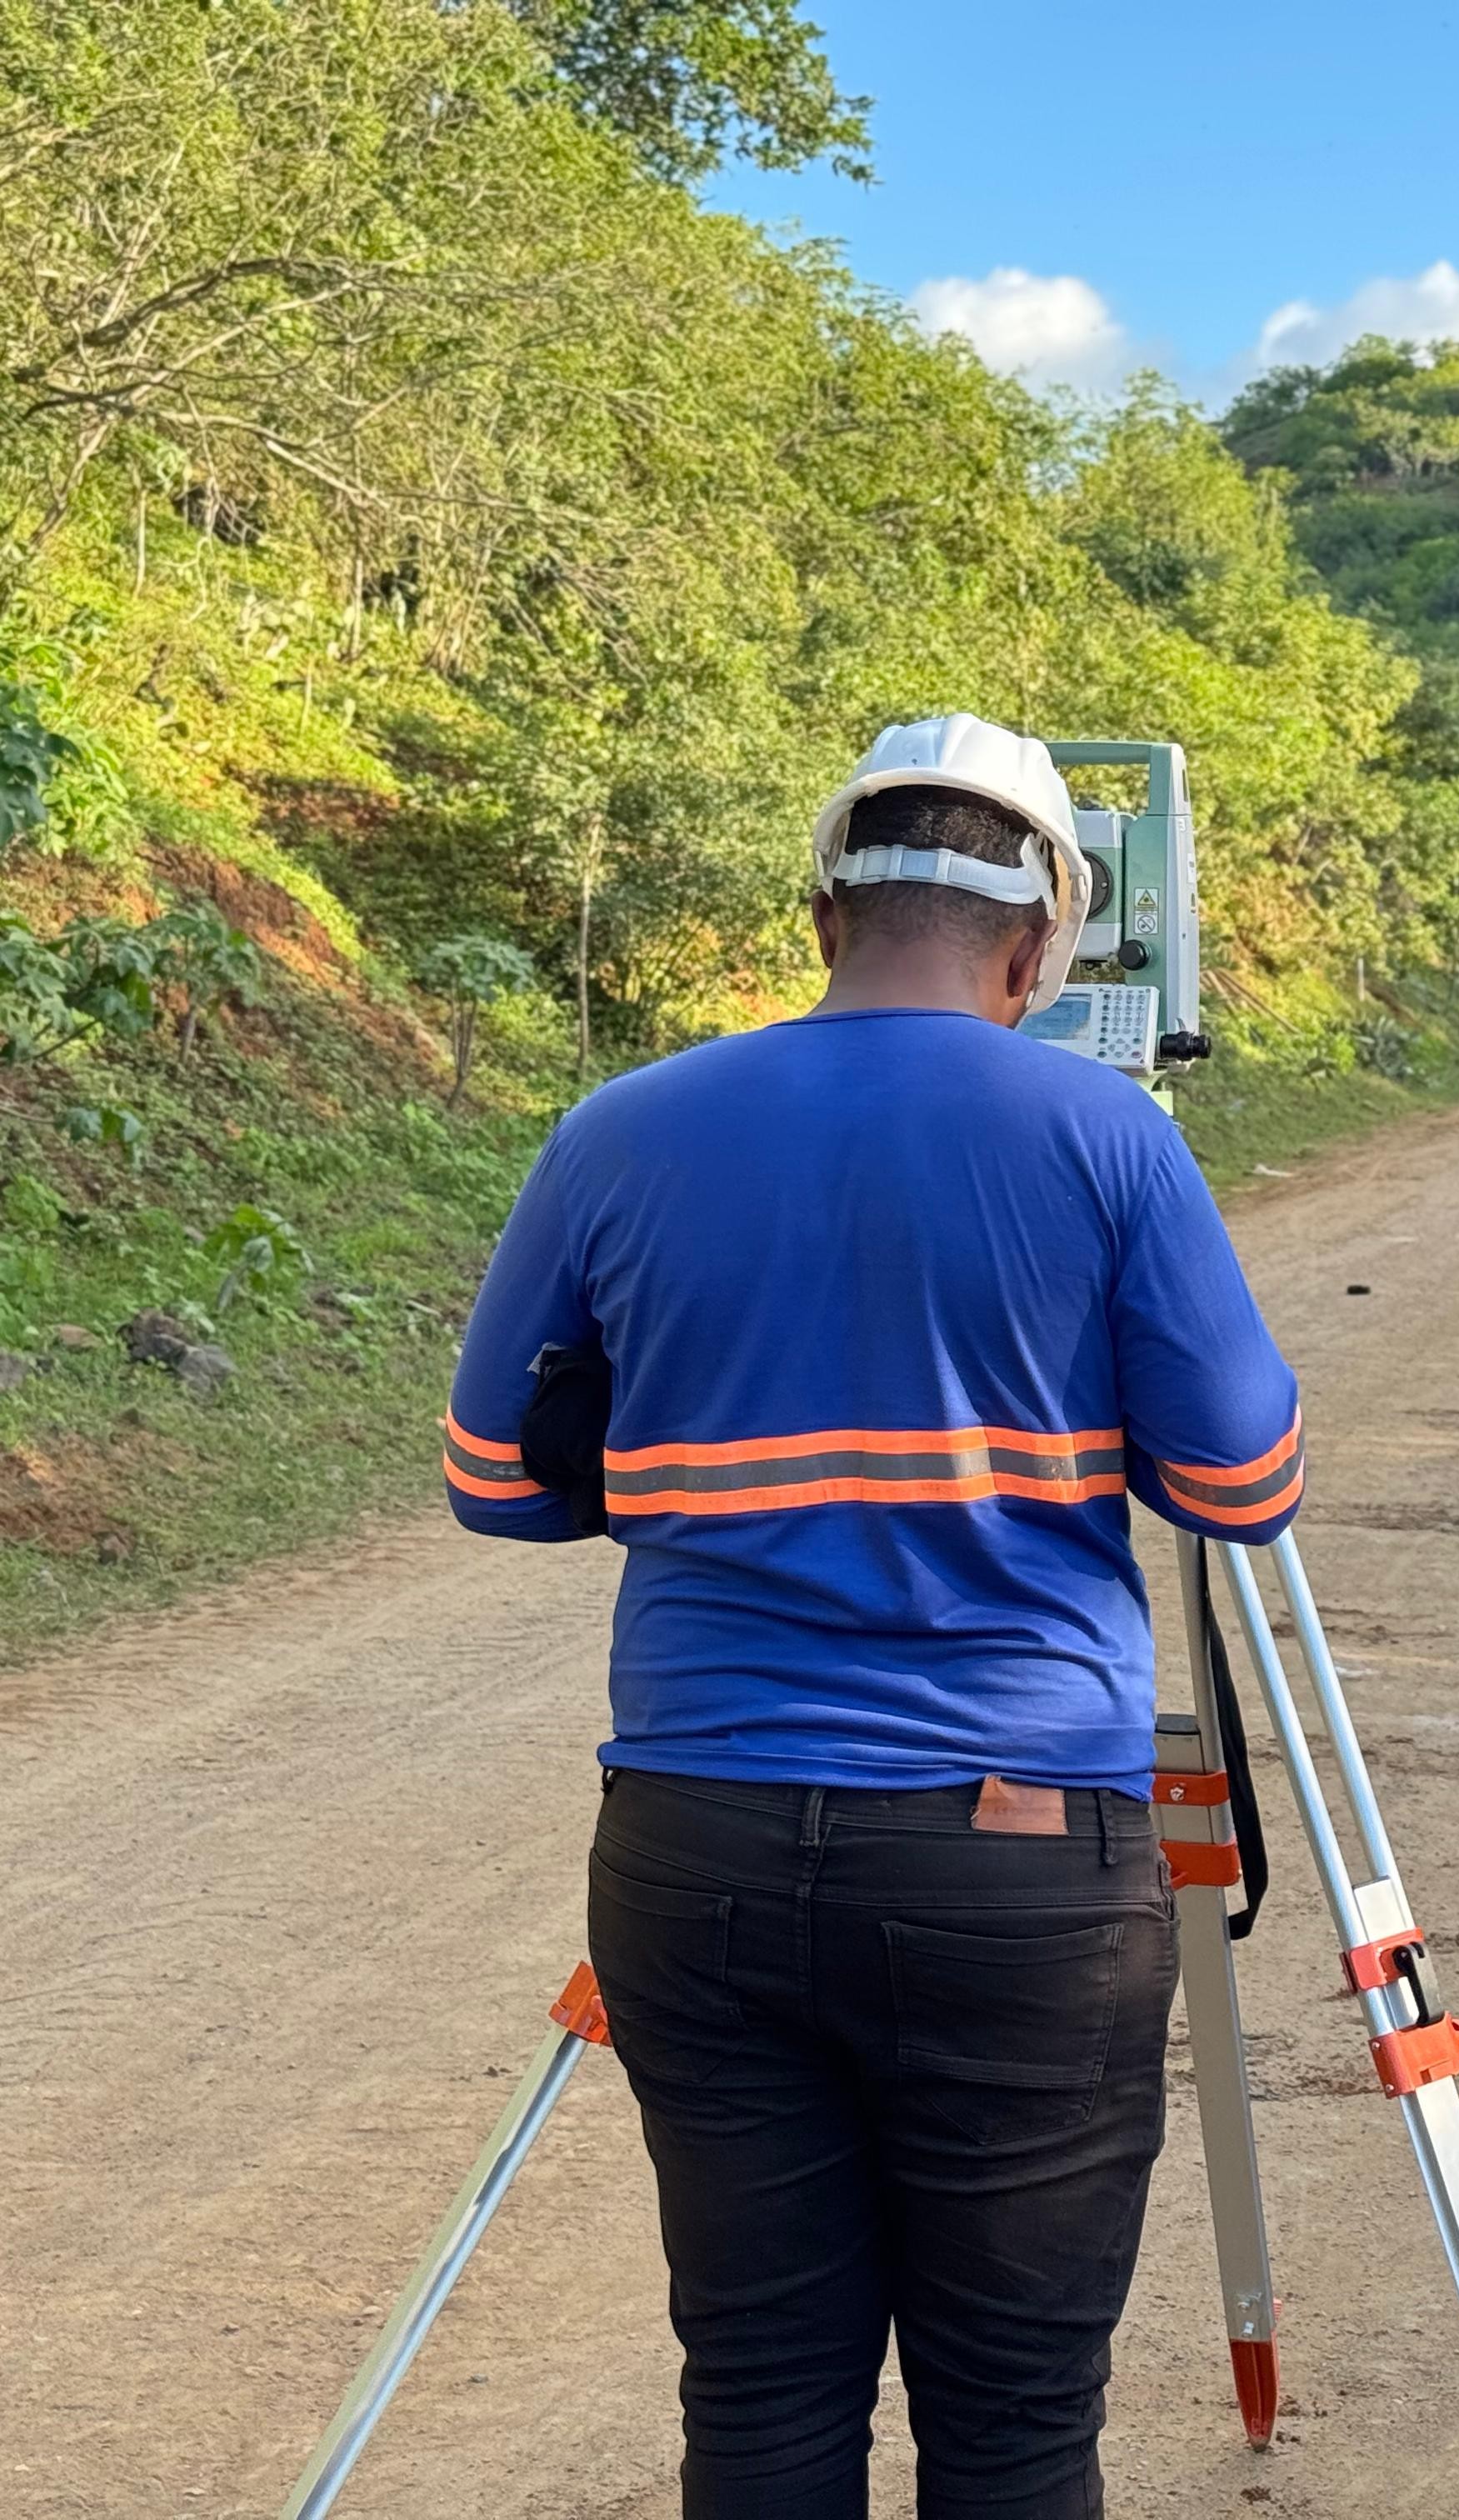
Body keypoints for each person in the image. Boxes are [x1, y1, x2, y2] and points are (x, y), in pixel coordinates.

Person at [442, 712, 1304, 2519]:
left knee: (757, 2402)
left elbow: (496, 1481)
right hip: (1016, 1873)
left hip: (697, 1849)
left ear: (824, 910)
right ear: (1045, 940)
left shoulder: (621, 1131)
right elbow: (1240, 1487)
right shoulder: (1105, 1131)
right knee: (1007, 2431)